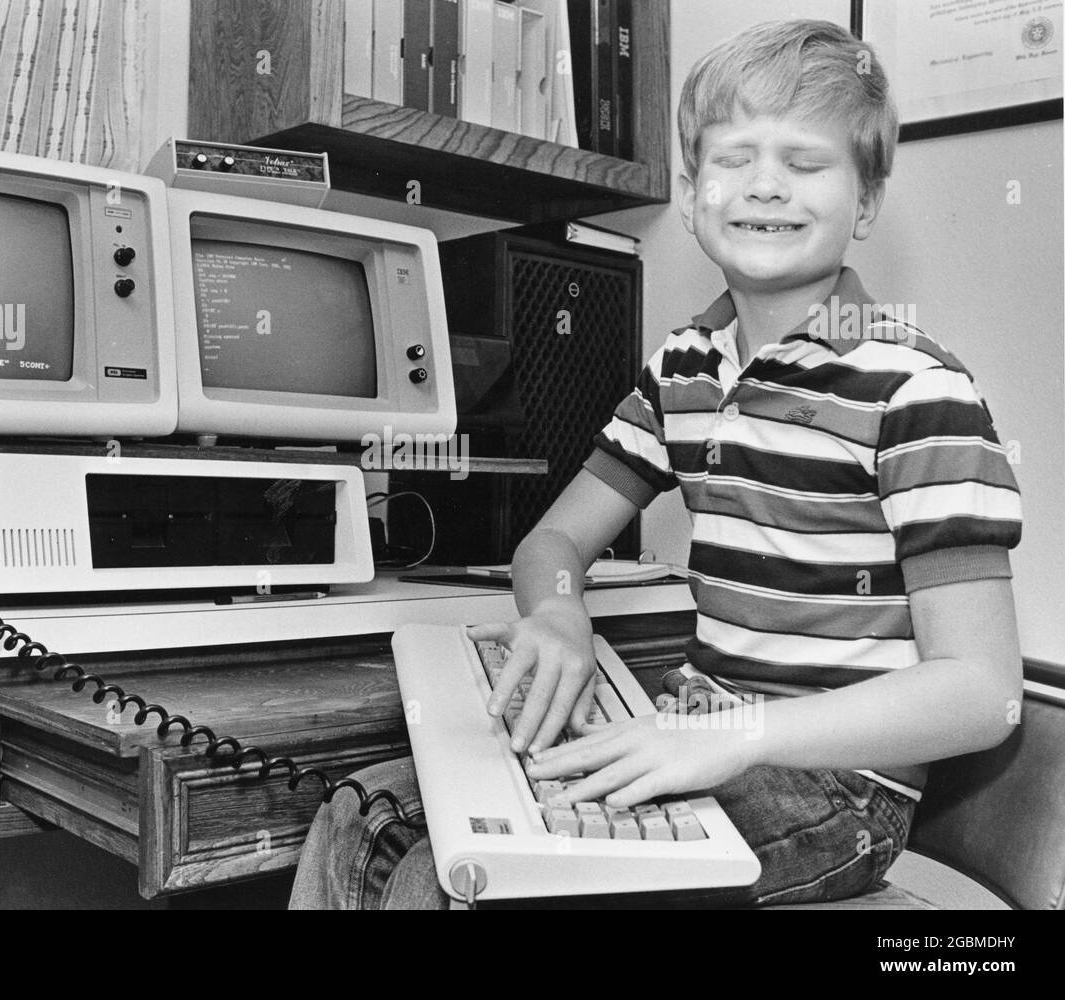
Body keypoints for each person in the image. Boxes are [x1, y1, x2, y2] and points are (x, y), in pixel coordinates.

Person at [289, 18, 1024, 909]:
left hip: (840, 788)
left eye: (805, 162)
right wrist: (559, 621)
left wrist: (738, 734)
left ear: (865, 202)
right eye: (735, 157)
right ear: (689, 192)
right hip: (691, 724)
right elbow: (553, 544)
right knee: (364, 816)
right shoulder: (685, 366)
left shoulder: (915, 389)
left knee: (465, 881)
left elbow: (985, 695)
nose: (764, 184)